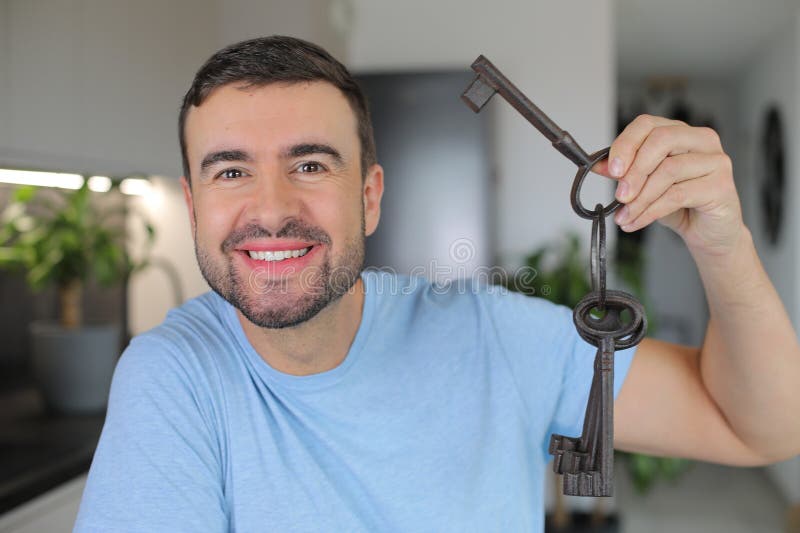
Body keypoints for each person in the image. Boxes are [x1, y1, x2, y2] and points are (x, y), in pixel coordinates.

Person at [74, 35, 800, 532]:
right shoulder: (172, 380)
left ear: (370, 195)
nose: (271, 208)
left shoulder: (494, 335)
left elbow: (759, 426)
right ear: (194, 204)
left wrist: (725, 244)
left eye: (311, 164)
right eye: (231, 170)